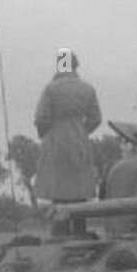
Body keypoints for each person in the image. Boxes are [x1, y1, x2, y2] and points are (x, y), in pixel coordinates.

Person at [34, 51, 101, 204]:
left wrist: (45, 134)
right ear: (76, 65)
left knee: (58, 189)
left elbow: (41, 118)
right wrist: (82, 131)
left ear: (59, 66)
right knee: (80, 190)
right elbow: (96, 118)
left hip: (55, 141)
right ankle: (79, 227)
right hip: (80, 139)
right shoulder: (88, 89)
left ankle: (60, 227)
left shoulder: (51, 89)